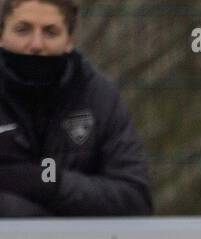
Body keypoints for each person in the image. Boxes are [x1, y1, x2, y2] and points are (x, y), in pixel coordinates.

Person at [0, 0, 151, 216]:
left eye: (50, 32)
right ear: (1, 35)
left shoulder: (100, 97)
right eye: (22, 30)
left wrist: (50, 185)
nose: (35, 44)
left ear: (70, 40)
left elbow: (135, 199)